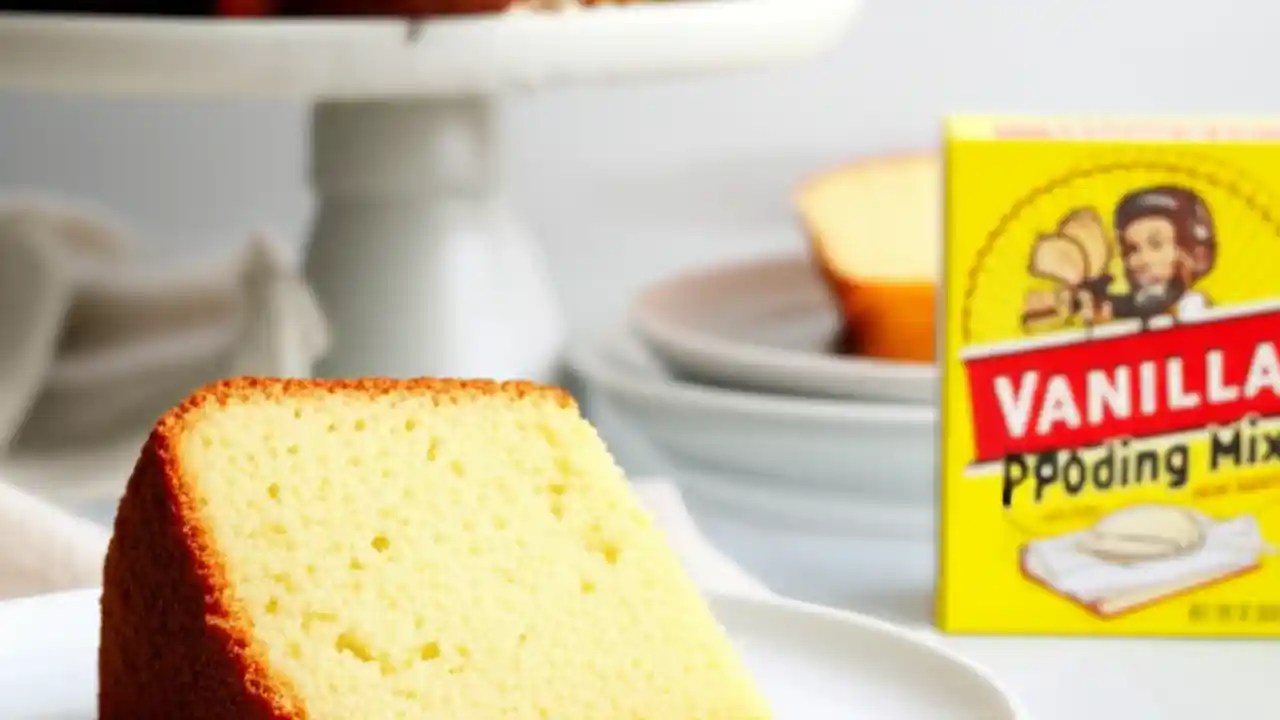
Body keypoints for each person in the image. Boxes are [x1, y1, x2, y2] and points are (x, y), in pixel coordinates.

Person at [1086, 185, 1216, 325]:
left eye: (1156, 244)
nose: (1137, 261)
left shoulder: (1202, 316)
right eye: (1131, 250)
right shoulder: (1119, 315)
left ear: (1194, 254)